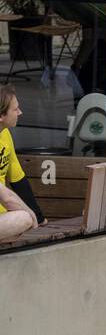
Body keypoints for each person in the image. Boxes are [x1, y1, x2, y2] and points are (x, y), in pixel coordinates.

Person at [0, 85, 44, 241]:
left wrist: (39, 216)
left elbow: (17, 178)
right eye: (15, 109)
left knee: (23, 218)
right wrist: (32, 216)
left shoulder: (4, 134)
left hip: (3, 215)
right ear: (1, 116)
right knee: (24, 218)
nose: (20, 112)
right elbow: (6, 197)